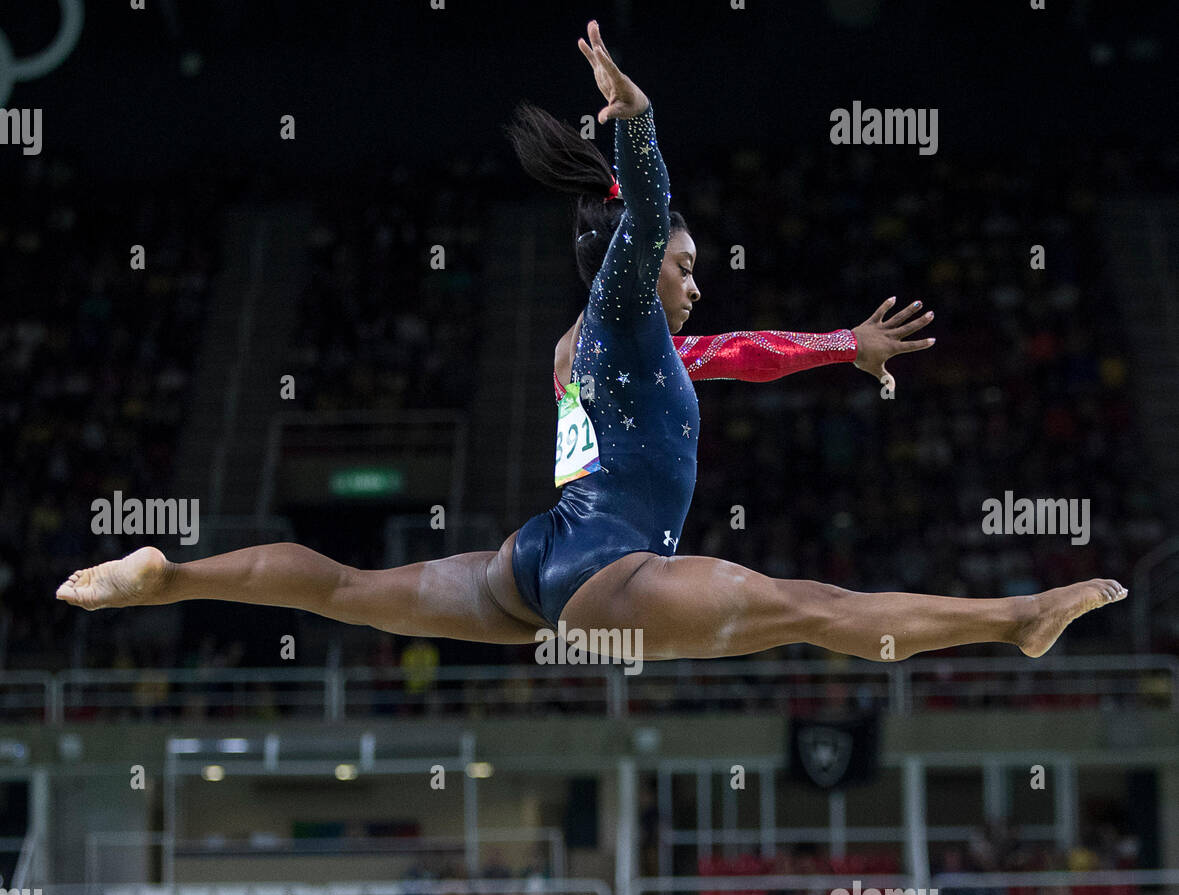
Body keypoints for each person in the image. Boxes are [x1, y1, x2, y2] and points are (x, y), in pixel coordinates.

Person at [57, 23, 1124, 667]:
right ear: (637, 261)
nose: (692, 282)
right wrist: (640, 127)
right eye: (685, 267)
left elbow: (737, 353)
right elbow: (649, 223)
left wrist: (844, 344)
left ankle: (172, 575)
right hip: (606, 568)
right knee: (815, 609)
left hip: (537, 560)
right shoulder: (617, 310)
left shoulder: (608, 349)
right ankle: (1018, 617)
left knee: (342, 588)